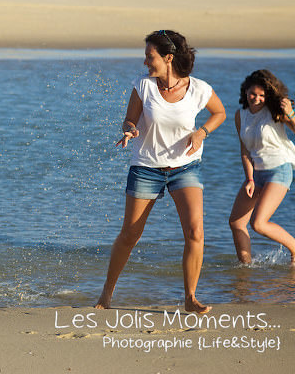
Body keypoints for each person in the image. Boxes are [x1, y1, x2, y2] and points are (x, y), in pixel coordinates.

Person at [94, 30, 226, 314]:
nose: (145, 62)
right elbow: (129, 119)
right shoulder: (143, 86)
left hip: (185, 168)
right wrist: (130, 129)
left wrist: (202, 132)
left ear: (168, 58)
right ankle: (106, 294)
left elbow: (219, 113)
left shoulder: (199, 89)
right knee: (130, 235)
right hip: (145, 168)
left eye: (149, 56)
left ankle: (190, 298)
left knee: (195, 231)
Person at [228, 70, 295, 265]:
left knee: (258, 223)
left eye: (261, 95)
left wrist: (290, 112)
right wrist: (249, 178)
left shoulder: (274, 111)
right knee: (236, 222)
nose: (256, 99)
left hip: (279, 170)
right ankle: (246, 268)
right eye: (252, 94)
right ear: (245, 91)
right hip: (256, 174)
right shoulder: (240, 115)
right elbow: (245, 151)